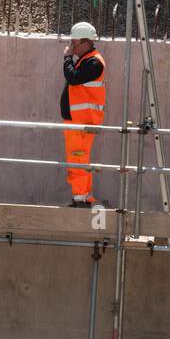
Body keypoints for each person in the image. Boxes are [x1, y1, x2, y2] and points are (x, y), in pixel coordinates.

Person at [61, 21, 106, 208]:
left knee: (77, 158)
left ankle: (80, 198)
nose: (72, 47)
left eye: (75, 43)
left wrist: (67, 58)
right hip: (78, 121)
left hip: (83, 122)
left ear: (87, 42)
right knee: (78, 158)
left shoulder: (94, 62)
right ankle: (84, 196)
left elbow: (73, 78)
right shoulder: (86, 60)